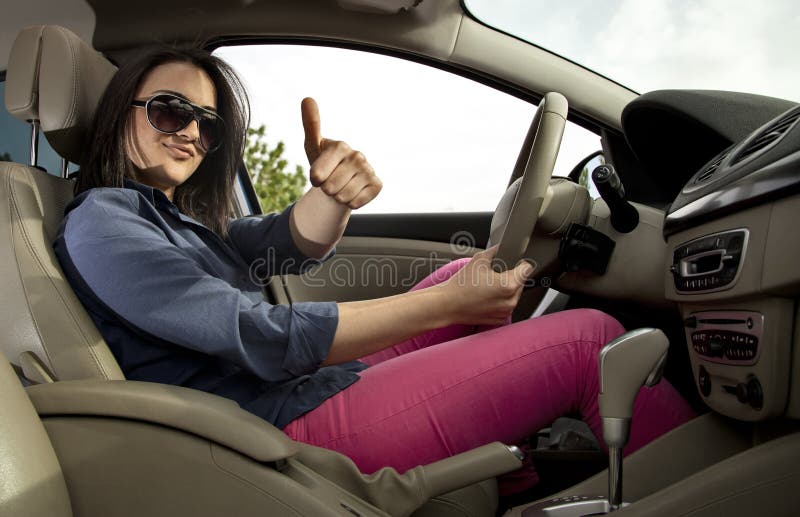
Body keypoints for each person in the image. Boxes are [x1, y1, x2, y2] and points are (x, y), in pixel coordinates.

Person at [53, 46, 695, 494]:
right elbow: (257, 334)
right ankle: (705, 490)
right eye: (170, 110)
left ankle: (510, 476)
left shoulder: (183, 222)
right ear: (119, 113)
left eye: (208, 124)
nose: (192, 133)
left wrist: (333, 194)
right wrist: (447, 308)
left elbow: (289, 241)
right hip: (269, 429)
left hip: (292, 392)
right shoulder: (105, 220)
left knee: (461, 275)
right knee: (588, 344)